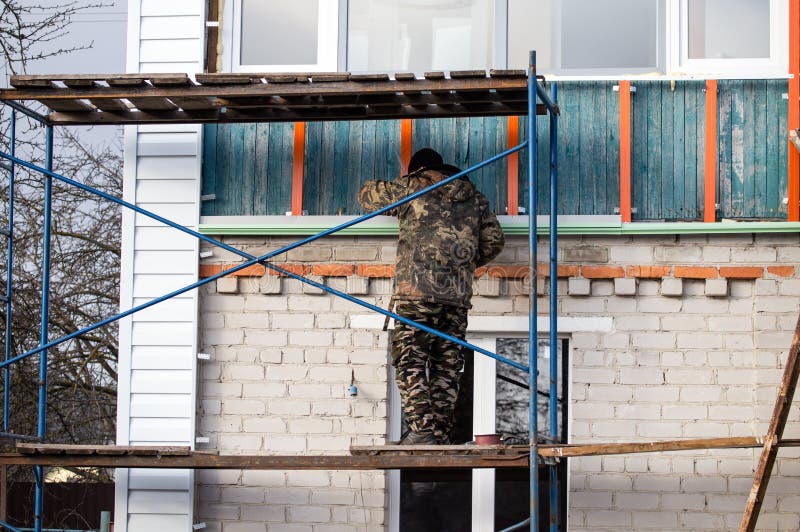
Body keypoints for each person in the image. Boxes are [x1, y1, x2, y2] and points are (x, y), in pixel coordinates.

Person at [358, 148, 505, 444]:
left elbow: (367, 194)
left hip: (417, 293)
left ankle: (423, 430)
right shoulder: (475, 198)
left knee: (409, 360)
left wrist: (405, 181)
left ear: (418, 170)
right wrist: (460, 265)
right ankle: (438, 434)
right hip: (456, 299)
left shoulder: (415, 186)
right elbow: (494, 240)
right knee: (446, 367)